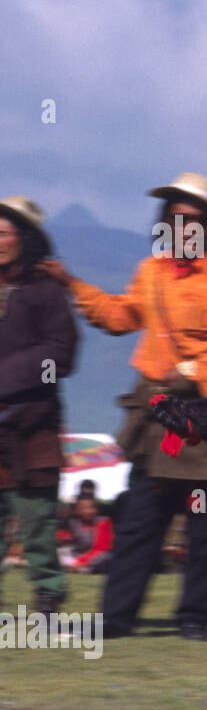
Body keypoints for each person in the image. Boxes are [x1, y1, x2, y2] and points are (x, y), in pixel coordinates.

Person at [41, 172, 207, 640]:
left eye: (195, 220)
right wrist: (72, 284)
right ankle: (116, 619)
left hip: (203, 417)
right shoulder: (151, 272)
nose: (184, 228)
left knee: (203, 526)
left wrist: (188, 372)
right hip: (158, 418)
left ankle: (194, 619)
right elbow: (121, 317)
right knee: (139, 521)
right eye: (177, 219)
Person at [0, 195, 79, 613]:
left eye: (4, 232)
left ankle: (48, 595)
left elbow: (61, 354)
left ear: (24, 238)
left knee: (35, 522)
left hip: (33, 426)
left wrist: (10, 378)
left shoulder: (45, 292)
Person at [58, 495, 114, 574]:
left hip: (98, 558)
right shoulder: (73, 523)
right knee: (60, 555)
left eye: (92, 508)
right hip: (78, 555)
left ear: (97, 509)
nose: (89, 511)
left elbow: (102, 548)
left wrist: (79, 563)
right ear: (76, 510)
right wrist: (64, 539)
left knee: (106, 557)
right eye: (84, 508)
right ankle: (79, 568)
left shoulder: (103, 522)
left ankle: (82, 569)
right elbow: (61, 539)